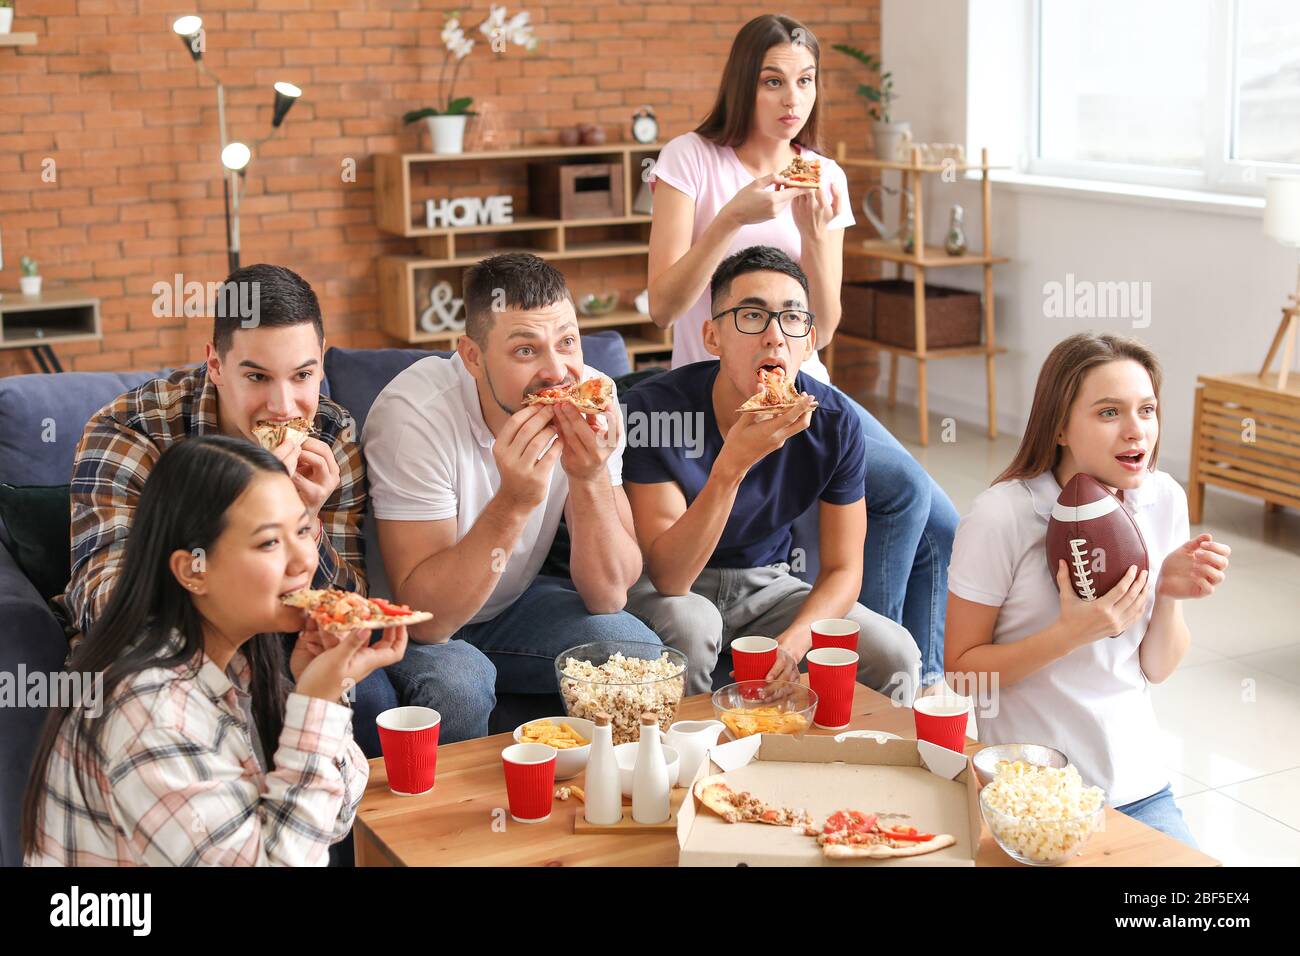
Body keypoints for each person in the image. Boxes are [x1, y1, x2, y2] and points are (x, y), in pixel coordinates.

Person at [645, 13, 958, 687]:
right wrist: (733, 215)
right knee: (904, 486)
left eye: (806, 82)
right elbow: (662, 304)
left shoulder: (824, 176)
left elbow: (830, 322)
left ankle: (912, 679)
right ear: (743, 85)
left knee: (941, 519)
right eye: (773, 81)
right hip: (718, 377)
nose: (793, 99)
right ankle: (854, 667)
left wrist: (816, 240)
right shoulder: (689, 159)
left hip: (800, 379)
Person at [23, 436, 406, 865]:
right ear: (194, 570)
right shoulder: (149, 712)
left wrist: (318, 691)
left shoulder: (238, 664)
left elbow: (331, 821)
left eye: (302, 530)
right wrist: (315, 707)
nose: (304, 561)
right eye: (268, 543)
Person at [945, 333, 1231, 847]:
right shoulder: (1001, 516)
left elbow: (1157, 668)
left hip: (1138, 786)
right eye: (1108, 413)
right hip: (1033, 795)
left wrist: (1166, 592)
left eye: (1147, 410)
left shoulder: (1162, 498)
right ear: (1059, 426)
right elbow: (964, 675)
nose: (1136, 431)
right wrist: (1068, 634)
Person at [364, 253, 660, 713]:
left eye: (567, 343)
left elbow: (609, 595)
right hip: (410, 617)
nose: (557, 373)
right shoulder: (413, 415)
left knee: (634, 650)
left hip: (512, 608)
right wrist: (515, 501)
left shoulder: (597, 396)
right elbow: (427, 622)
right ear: (472, 358)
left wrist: (590, 476)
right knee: (460, 682)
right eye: (526, 350)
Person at [622, 245, 920, 700]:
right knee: (692, 623)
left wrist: (798, 639)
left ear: (809, 339)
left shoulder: (834, 421)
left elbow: (843, 568)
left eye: (792, 319)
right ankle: (693, 764)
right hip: (671, 591)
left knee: (895, 650)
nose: (774, 336)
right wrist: (732, 466)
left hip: (769, 585)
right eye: (752, 316)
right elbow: (669, 576)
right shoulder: (654, 410)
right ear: (712, 336)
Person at [57, 264, 366, 637]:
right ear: (216, 365)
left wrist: (305, 523)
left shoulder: (332, 434)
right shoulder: (133, 429)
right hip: (167, 654)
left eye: (302, 375)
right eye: (257, 377)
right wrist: (244, 507)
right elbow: (105, 604)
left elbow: (353, 611)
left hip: (287, 647)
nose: (284, 407)